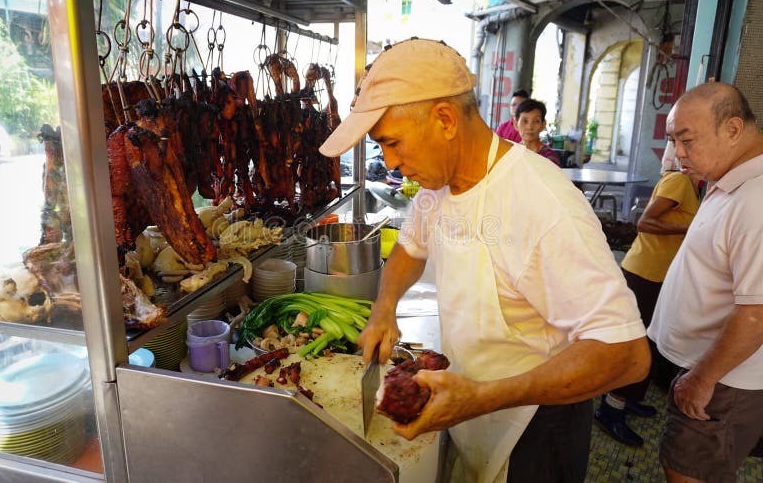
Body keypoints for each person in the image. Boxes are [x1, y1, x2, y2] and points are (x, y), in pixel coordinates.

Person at [319, 38, 649, 482]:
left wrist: (485, 397)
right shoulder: (437, 189)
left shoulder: (543, 203)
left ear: (445, 119)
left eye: (392, 143)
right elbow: (408, 251)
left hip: (535, 426)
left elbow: (626, 355)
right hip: (472, 404)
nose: (391, 163)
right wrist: (383, 309)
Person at [647, 82, 763, 483]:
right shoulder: (730, 181)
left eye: (686, 139)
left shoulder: (757, 198)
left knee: (690, 472)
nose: (678, 153)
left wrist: (702, 378)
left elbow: (756, 314)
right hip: (708, 373)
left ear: (732, 129)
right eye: (673, 140)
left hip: (723, 383)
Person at [595, 155, 701, 447]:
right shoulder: (679, 181)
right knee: (637, 343)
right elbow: (646, 222)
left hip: (657, 274)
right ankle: (609, 409)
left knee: (648, 342)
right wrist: (691, 228)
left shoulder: (693, 187)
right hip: (645, 274)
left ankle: (626, 399)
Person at [514, 99, 560, 166]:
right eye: (525, 121)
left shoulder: (549, 158)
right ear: (515, 124)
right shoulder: (510, 154)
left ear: (543, 125)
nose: (530, 127)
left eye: (536, 121)